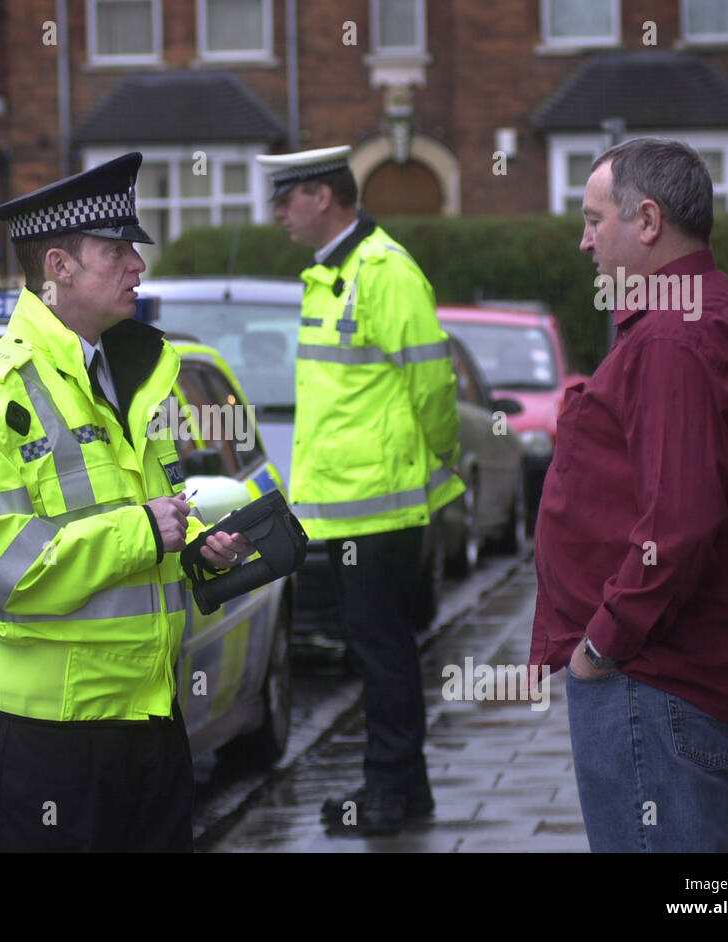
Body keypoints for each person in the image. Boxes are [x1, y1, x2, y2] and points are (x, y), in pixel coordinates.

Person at [0, 152, 251, 852]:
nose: (137, 266)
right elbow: (0, 567)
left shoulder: (133, 372)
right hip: (56, 734)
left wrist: (198, 542)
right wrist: (147, 533)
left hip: (152, 716)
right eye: (116, 251)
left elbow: (155, 509)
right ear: (58, 266)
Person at [531, 137, 728, 852]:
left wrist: (599, 649)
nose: (584, 243)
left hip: (653, 683)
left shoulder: (676, 337)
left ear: (646, 221)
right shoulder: (715, 310)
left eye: (593, 220)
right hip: (682, 680)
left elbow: (676, 526)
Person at [256, 146, 465, 835]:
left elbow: (433, 383)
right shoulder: (334, 274)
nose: (277, 213)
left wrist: (437, 460)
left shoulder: (383, 272)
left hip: (382, 504)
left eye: (286, 198)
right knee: (379, 651)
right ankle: (406, 791)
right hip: (352, 506)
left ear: (322, 196)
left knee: (381, 653)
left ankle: (387, 792)